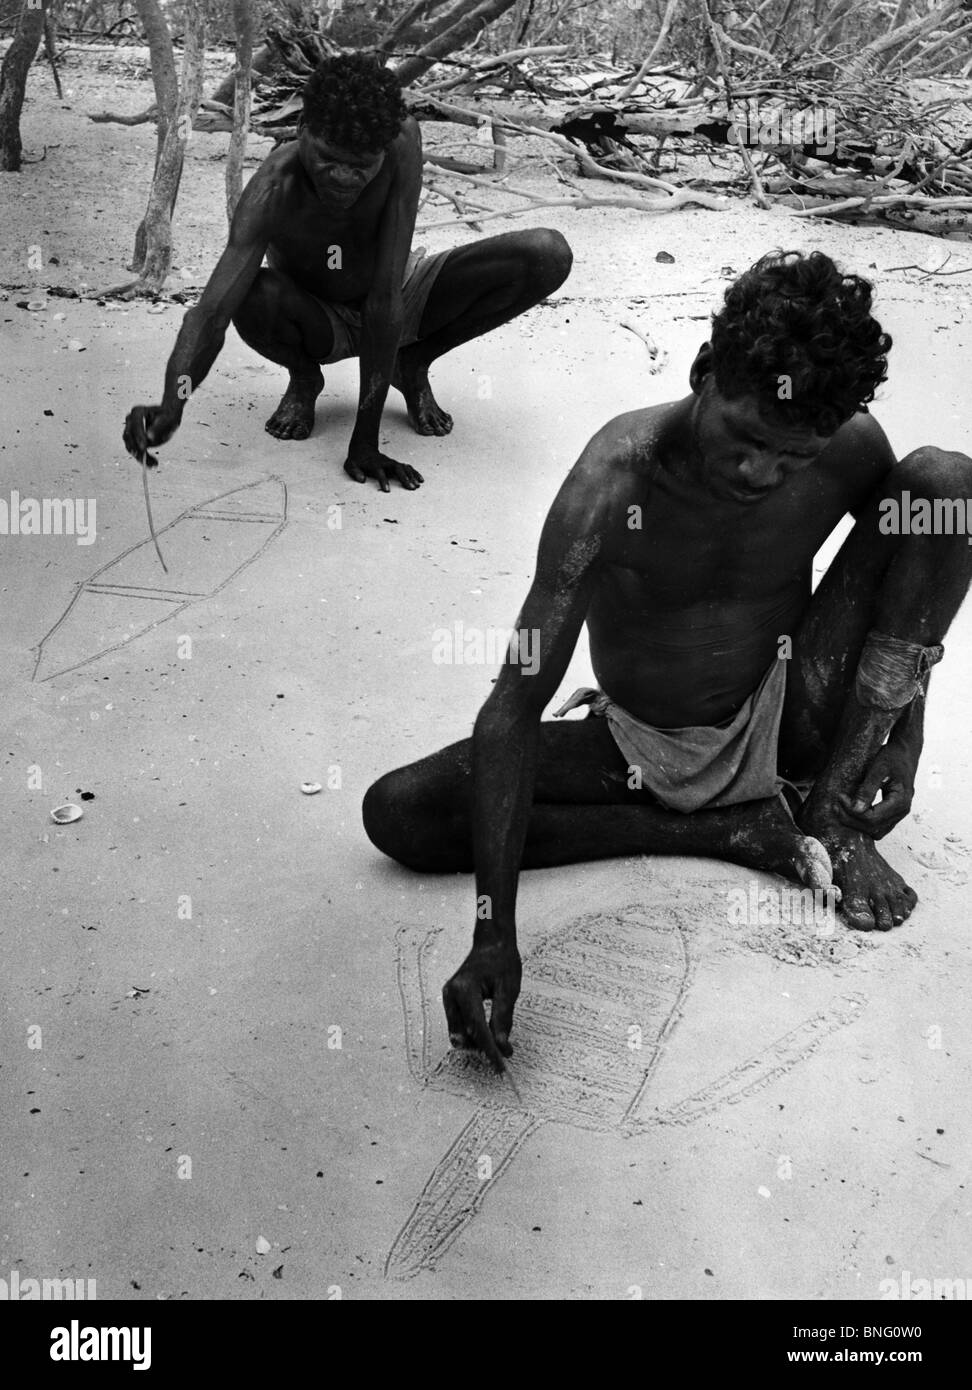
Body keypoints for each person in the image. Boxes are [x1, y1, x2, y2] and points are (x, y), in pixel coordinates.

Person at [363, 249, 972, 1068]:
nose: (763, 473)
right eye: (748, 440)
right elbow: (515, 701)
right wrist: (493, 935)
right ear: (704, 370)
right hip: (641, 747)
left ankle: (825, 812)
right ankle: (730, 833)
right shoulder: (613, 482)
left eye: (793, 456)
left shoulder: (850, 447)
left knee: (945, 486)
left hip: (793, 714)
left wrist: (905, 732)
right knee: (400, 811)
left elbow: (913, 573)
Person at [123, 51, 572, 493]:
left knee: (546, 252)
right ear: (301, 132)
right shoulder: (274, 187)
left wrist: (365, 443)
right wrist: (172, 404)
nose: (342, 176)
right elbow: (210, 315)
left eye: (360, 165)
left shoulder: (402, 141)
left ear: (383, 147)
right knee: (252, 295)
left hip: (395, 287)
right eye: (328, 158)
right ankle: (304, 378)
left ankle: (412, 362)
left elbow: (385, 296)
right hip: (316, 316)